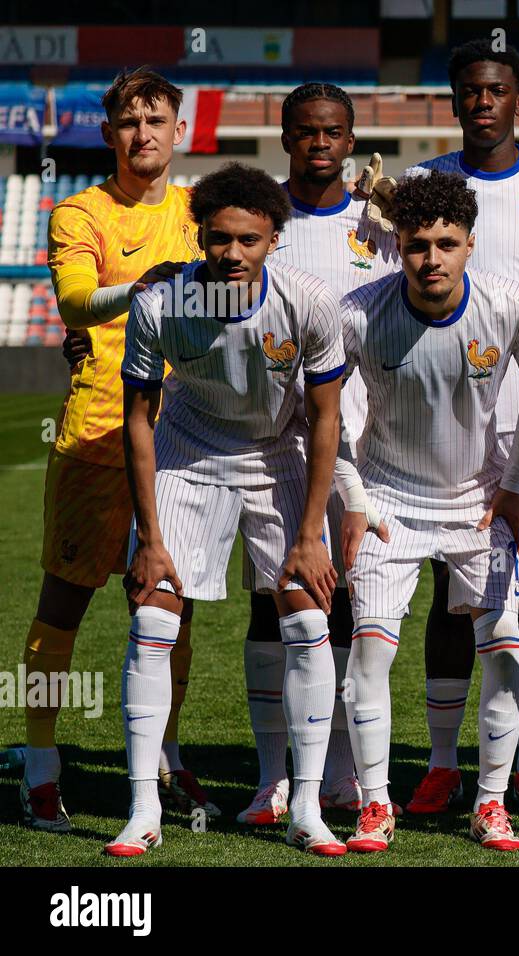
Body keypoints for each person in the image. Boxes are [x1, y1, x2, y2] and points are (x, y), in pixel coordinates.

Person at [109, 162, 346, 856]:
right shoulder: (159, 304)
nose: (232, 254)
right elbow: (139, 422)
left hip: (278, 454)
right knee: (153, 612)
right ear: (200, 236)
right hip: (190, 450)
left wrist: (311, 535)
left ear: (275, 237)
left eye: (248, 240)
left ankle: (304, 804)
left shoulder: (309, 301)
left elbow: (326, 422)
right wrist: (149, 537)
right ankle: (143, 807)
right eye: (218, 239)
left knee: (306, 618)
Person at [338, 171, 519, 852]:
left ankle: (490, 803)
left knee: (506, 654)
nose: (431, 259)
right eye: (417, 245)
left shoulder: (509, 306)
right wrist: (353, 499)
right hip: (388, 501)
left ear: (470, 245)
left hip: (480, 504)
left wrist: (516, 483)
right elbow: (319, 418)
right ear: (396, 245)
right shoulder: (358, 314)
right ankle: (375, 805)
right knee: (367, 659)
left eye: (446, 244)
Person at [395, 39, 519, 818]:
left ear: (518, 99)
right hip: (446, 425)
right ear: (454, 99)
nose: (482, 102)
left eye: (496, 89)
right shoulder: (416, 185)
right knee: (453, 593)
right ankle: (441, 763)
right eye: (468, 90)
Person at [26, 67, 208, 833]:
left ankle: (164, 755)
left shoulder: (203, 212)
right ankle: (40, 766)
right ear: (109, 135)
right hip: (99, 433)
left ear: (179, 131)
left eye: (156, 119)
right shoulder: (81, 211)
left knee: (175, 607)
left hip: (185, 440)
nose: (143, 133)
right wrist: (148, 286)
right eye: (129, 121)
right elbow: (72, 301)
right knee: (61, 604)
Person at [237, 82, 403, 826]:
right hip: (271, 443)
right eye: (305, 132)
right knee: (272, 606)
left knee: (349, 605)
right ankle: (273, 776)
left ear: (350, 136)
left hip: (365, 443)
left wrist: (401, 213)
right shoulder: (257, 218)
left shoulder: (382, 225)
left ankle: (337, 768)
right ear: (284, 135)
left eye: (332, 132)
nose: (318, 144)